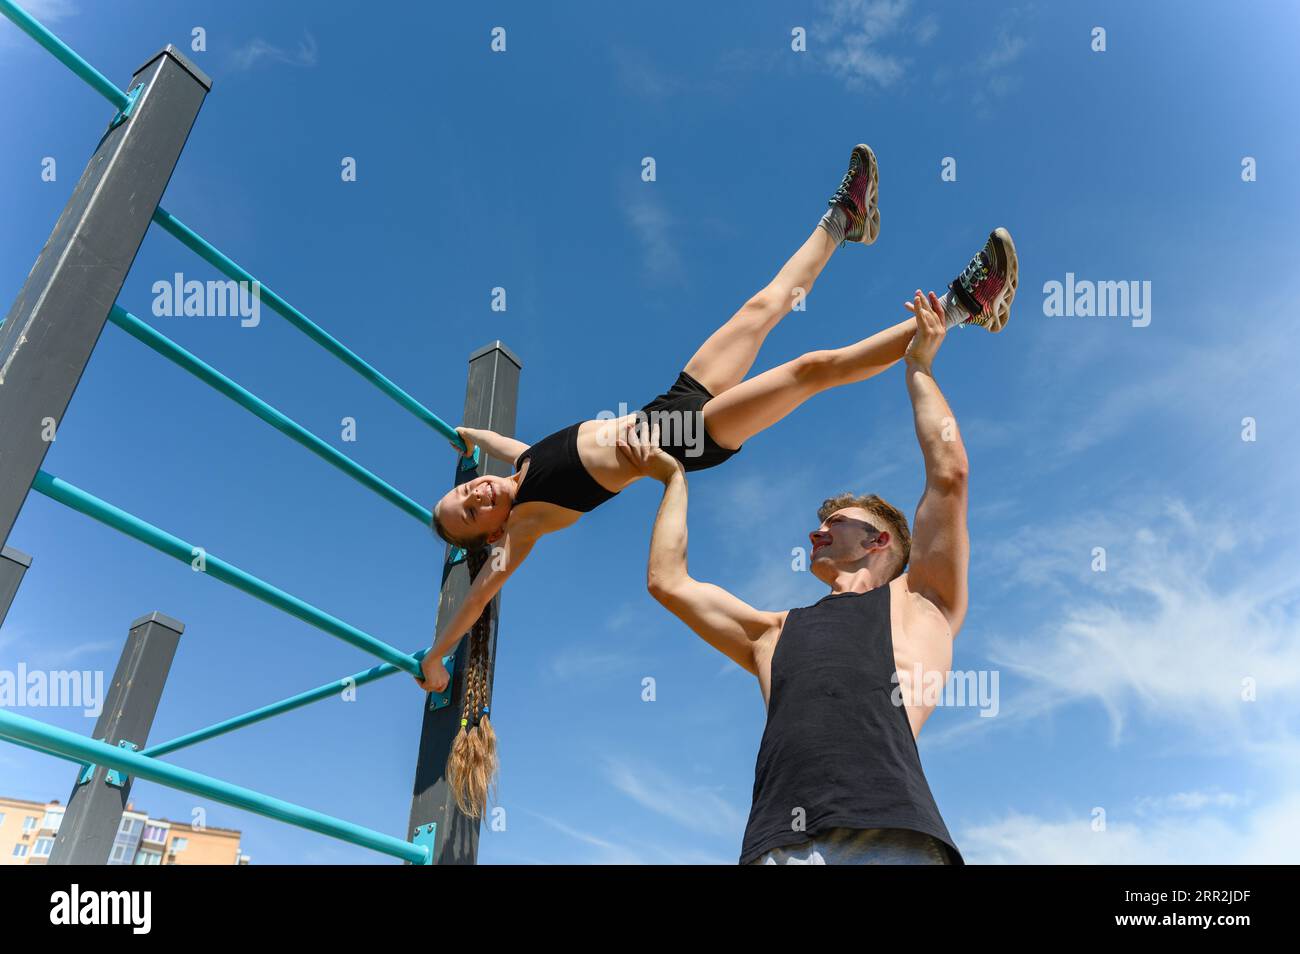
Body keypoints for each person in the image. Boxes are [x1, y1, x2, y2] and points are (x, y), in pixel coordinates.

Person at [419, 143, 1017, 698]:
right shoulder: (523, 530)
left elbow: (515, 446)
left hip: (671, 402)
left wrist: (472, 436)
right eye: (473, 512)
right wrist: (436, 656)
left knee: (769, 301)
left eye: (464, 491)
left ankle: (845, 220)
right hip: (684, 439)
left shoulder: (522, 465)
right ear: (492, 535)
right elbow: (477, 601)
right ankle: (964, 304)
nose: (475, 493)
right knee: (813, 368)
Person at [632, 286, 984, 864]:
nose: (815, 533)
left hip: (891, 839)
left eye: (835, 524)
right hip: (777, 850)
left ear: (879, 541)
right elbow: (667, 582)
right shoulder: (773, 632)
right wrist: (674, 480)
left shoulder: (923, 602)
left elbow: (950, 474)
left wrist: (918, 367)